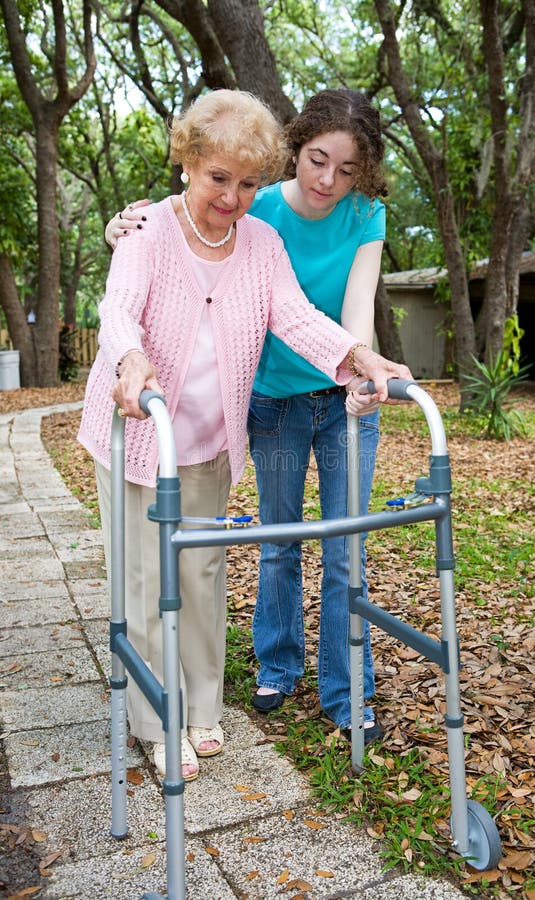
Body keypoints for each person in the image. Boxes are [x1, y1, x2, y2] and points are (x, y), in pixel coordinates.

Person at [83, 88, 411, 782]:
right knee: (146, 582)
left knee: (200, 575)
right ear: (188, 164)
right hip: (143, 430)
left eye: (247, 183)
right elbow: (117, 310)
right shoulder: (148, 230)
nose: (231, 196)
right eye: (218, 178)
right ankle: (154, 720)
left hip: (209, 436)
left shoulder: (260, 242)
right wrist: (129, 359)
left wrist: (359, 356)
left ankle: (200, 707)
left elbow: (294, 316)